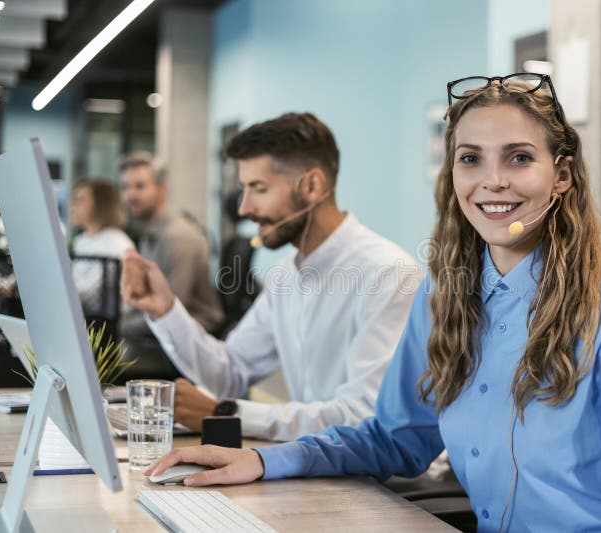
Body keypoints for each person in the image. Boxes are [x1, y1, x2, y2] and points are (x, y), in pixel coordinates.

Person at [145, 76, 601, 532]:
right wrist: (262, 461)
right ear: (452, 175)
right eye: (471, 159)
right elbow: (393, 439)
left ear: (561, 176)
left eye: (519, 158)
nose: (492, 181)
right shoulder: (446, 297)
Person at [123, 112, 422, 441]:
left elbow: (363, 416)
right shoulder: (287, 276)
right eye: (244, 189)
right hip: (318, 463)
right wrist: (164, 310)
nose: (244, 208)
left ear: (312, 185)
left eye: (258, 188)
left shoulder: (388, 273)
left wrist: (226, 415)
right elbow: (229, 372)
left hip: (387, 484)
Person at [119, 151, 224, 377]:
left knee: (103, 365)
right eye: (126, 187)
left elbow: (171, 307)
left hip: (190, 340)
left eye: (140, 186)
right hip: (161, 336)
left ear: (162, 189)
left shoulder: (178, 236)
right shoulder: (151, 231)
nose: (130, 195)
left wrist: (120, 324)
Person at [69, 179, 134, 308]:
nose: (72, 206)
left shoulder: (117, 244)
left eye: (80, 200)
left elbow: (86, 294)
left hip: (102, 325)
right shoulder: (81, 241)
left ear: (101, 204)